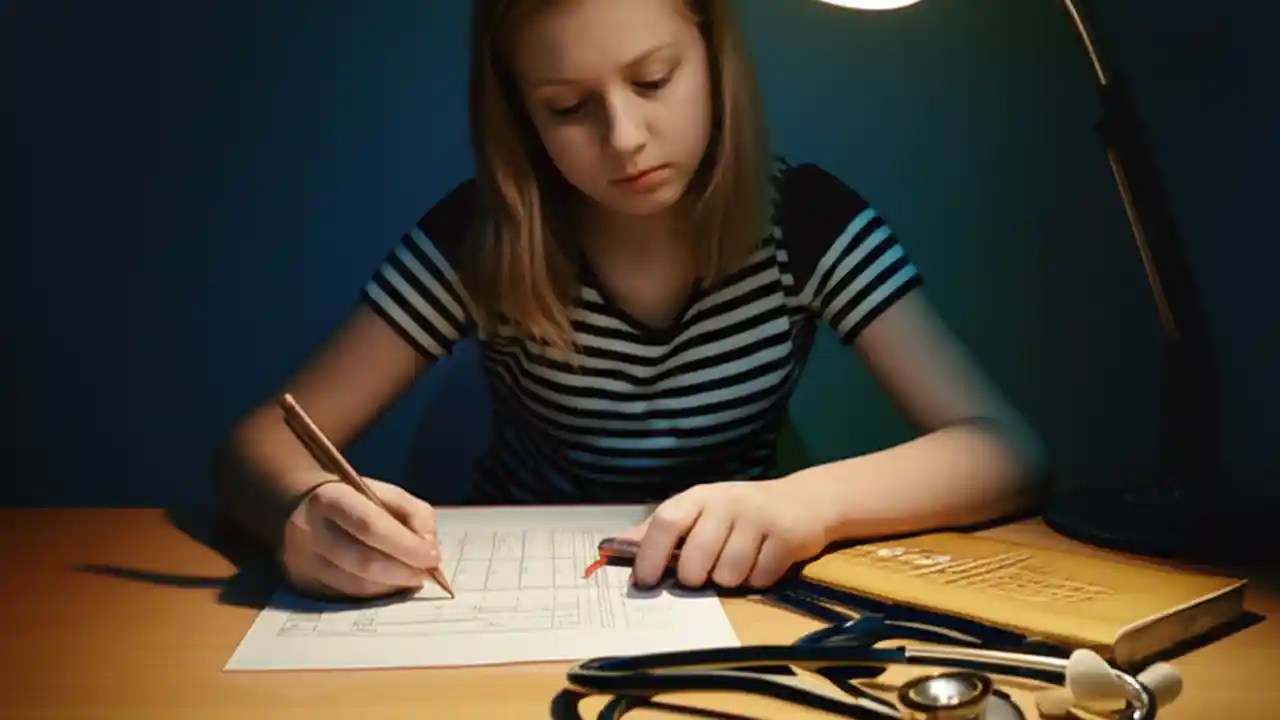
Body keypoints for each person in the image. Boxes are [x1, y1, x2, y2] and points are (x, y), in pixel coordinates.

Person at [213, 0, 1048, 601]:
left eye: (653, 80)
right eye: (568, 108)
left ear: (714, 53)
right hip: (507, 601)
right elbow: (254, 445)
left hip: (737, 594)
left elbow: (1007, 449)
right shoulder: (483, 237)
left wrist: (801, 503)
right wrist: (304, 508)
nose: (624, 138)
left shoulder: (806, 223)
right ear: (520, 118)